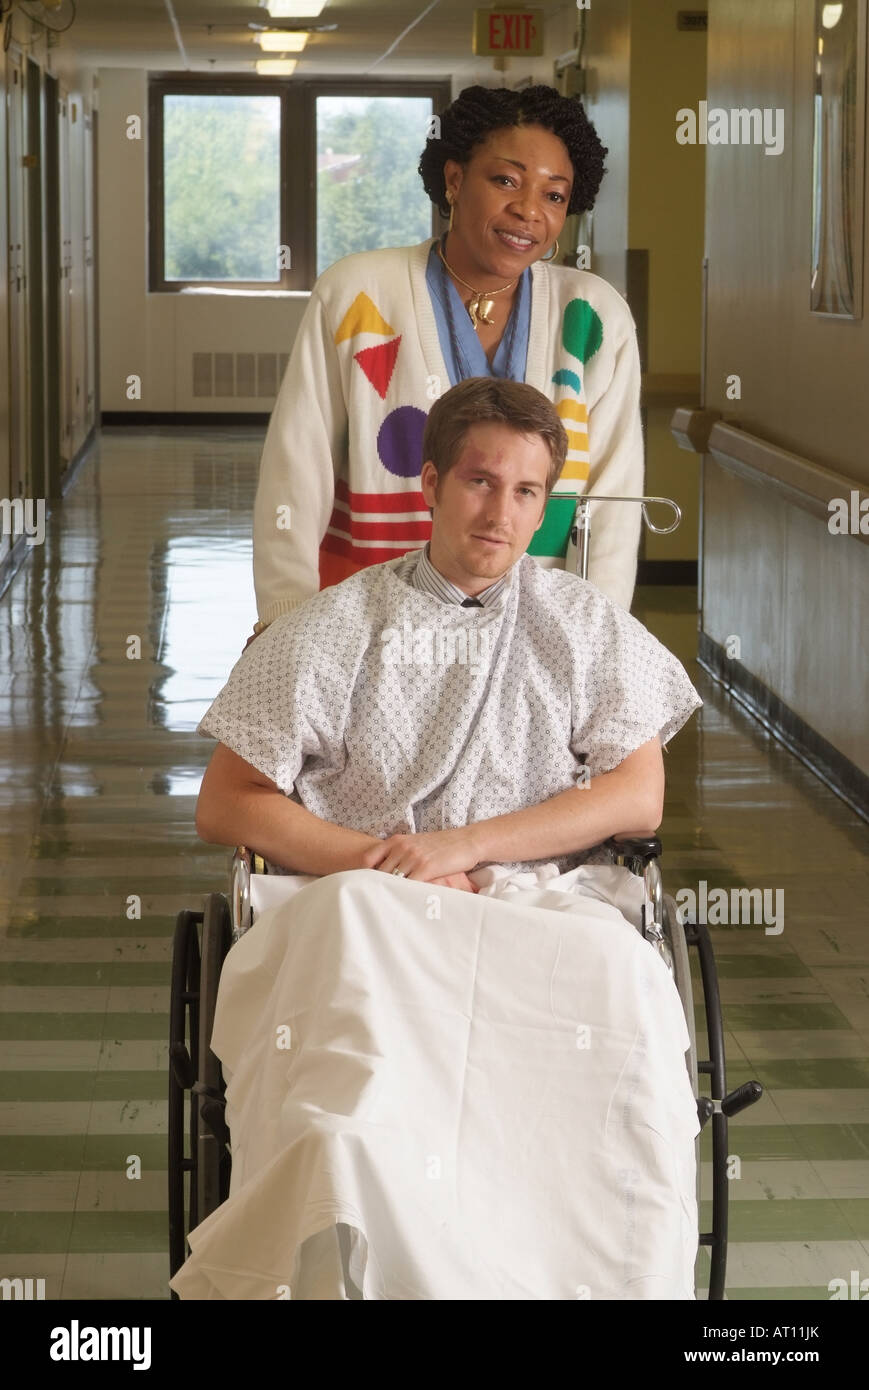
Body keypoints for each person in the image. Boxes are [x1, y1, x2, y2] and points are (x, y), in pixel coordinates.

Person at [171, 379, 701, 1301]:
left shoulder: (579, 625)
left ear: (547, 505)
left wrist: (459, 849)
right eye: (479, 482)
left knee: (619, 986)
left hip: (536, 898)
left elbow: (637, 797)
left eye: (528, 492)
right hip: (363, 900)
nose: (501, 514)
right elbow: (228, 803)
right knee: (357, 1076)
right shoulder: (337, 624)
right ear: (429, 482)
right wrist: (387, 862)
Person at [250, 84, 644, 643]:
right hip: (371, 626)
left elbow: (614, 496)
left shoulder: (592, 316)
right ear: (455, 180)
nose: (529, 211)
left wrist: (602, 639)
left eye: (554, 196)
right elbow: (297, 464)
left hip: (535, 634)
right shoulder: (360, 291)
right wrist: (285, 622)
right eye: (505, 180)